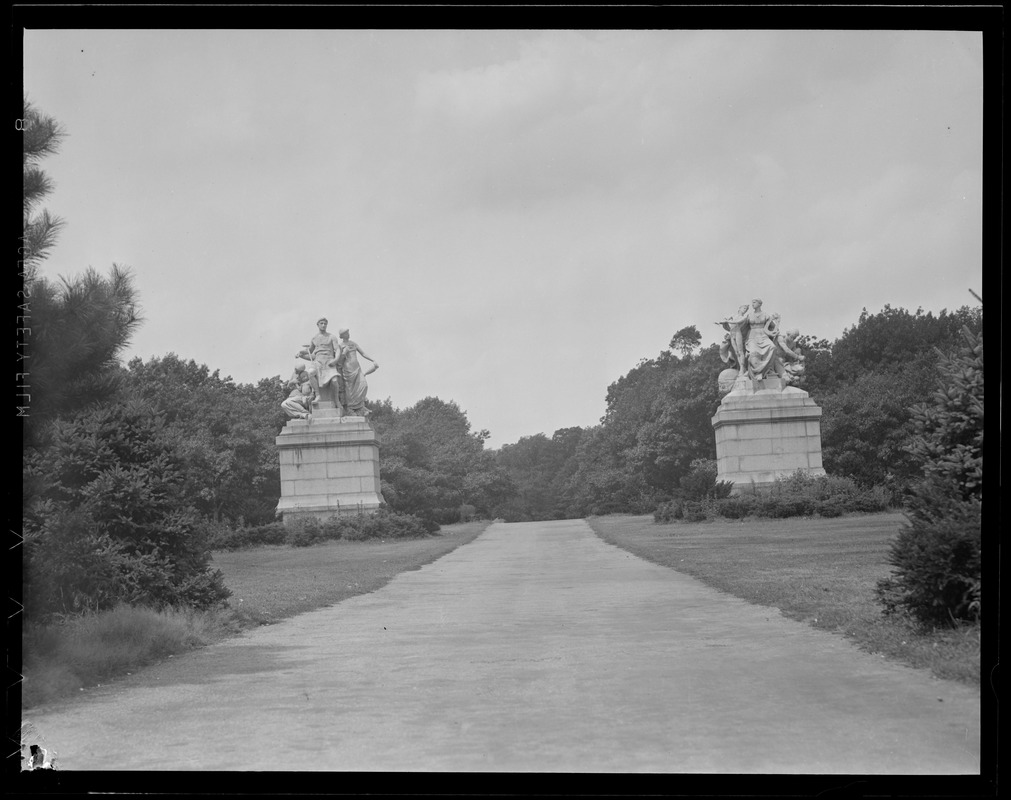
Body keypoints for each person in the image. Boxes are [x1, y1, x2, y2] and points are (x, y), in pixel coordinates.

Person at [332, 328, 378, 416]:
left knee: (364, 385)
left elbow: (363, 353)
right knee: (350, 391)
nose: (348, 334)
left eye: (348, 332)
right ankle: (351, 409)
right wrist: (344, 353)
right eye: (346, 333)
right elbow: (338, 361)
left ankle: (360, 406)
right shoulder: (340, 346)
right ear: (342, 335)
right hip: (347, 370)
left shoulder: (353, 343)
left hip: (357, 368)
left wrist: (373, 360)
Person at [307, 317, 342, 406]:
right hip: (318, 362)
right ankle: (318, 395)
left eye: (325, 324)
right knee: (311, 372)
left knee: (334, 381)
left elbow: (337, 349)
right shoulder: (314, 338)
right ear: (318, 325)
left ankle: (336, 400)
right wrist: (300, 353)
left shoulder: (331, 337)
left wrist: (335, 360)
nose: (323, 325)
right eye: (321, 323)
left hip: (329, 362)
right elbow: (309, 350)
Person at [744, 298, 776, 379]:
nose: (752, 304)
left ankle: (769, 369)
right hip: (752, 336)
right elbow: (743, 326)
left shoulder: (765, 314)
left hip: (763, 335)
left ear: (759, 304)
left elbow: (773, 326)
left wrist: (774, 331)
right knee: (753, 352)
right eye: (752, 303)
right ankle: (758, 372)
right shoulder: (749, 315)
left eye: (754, 302)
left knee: (772, 347)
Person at [716, 303, 750, 375]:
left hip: (738, 333)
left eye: (746, 310)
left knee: (740, 351)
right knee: (736, 352)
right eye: (744, 308)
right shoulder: (733, 315)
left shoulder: (743, 317)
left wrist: (727, 321)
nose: (745, 310)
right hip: (732, 334)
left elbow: (736, 322)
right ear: (739, 308)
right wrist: (721, 322)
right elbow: (725, 318)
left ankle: (742, 368)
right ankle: (741, 367)